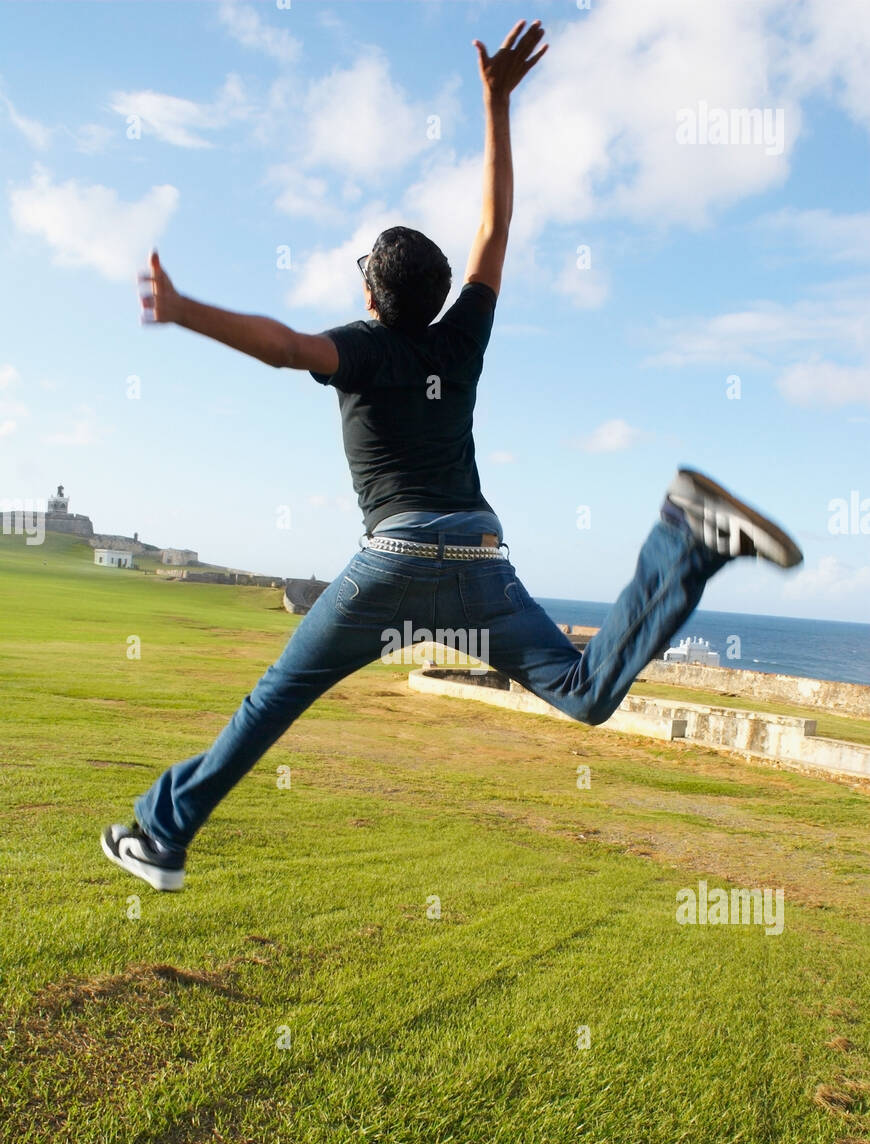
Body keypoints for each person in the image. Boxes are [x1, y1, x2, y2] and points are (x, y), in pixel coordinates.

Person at [102, 18, 802, 892]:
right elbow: (494, 226)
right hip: (477, 558)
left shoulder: (358, 347)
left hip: (391, 563)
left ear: (368, 291)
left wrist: (181, 308)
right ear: (432, 298)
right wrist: (496, 105)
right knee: (584, 693)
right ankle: (687, 539)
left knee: (273, 699)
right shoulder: (461, 335)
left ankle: (162, 839)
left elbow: (284, 346)